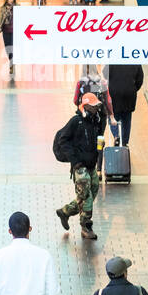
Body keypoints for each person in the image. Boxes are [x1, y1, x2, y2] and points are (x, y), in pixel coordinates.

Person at [53, 92, 106, 240]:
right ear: (86, 106)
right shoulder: (76, 122)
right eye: (94, 106)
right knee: (87, 198)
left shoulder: (96, 120)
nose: (96, 108)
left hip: (91, 165)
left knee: (90, 193)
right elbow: (63, 140)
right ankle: (86, 227)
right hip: (80, 167)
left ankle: (65, 212)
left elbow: (99, 134)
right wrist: (75, 161)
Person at [105, 63, 144, 147]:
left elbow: (105, 74)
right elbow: (140, 79)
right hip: (129, 93)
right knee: (127, 119)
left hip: (114, 93)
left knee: (113, 116)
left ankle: (116, 136)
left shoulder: (112, 61)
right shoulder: (135, 60)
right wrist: (133, 88)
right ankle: (125, 142)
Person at [0, 0, 17, 76]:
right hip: (5, 31)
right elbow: (0, 18)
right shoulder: (3, 8)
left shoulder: (17, 8)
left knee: (12, 48)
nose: (11, 0)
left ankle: (12, 65)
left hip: (14, 31)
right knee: (7, 48)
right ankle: (11, 61)